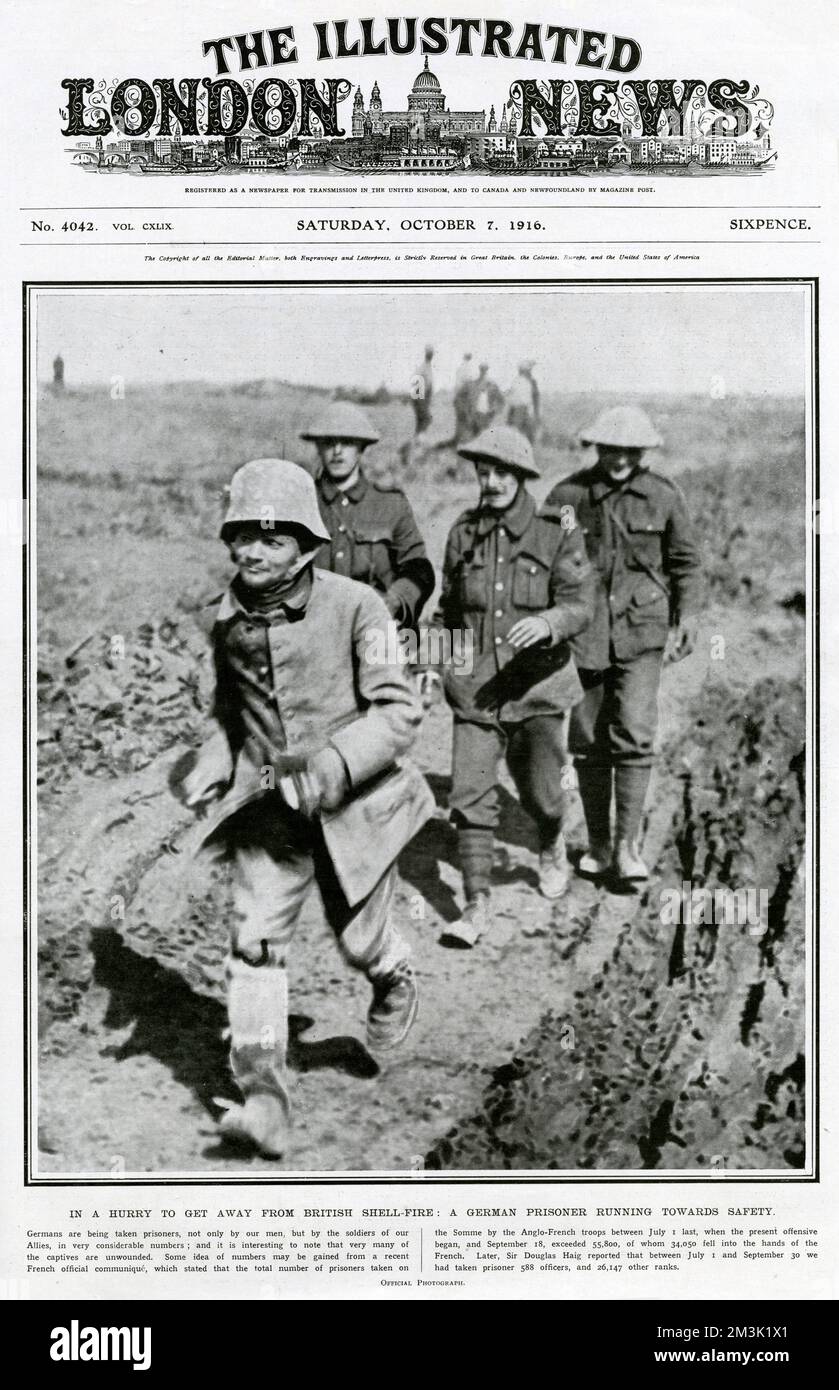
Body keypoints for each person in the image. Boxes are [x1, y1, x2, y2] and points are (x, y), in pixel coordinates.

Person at [179, 458, 434, 1158]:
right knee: (253, 941)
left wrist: (333, 762)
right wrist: (213, 756)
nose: (252, 552)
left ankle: (392, 974)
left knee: (360, 941)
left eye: (272, 538)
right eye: (242, 537)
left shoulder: (360, 607)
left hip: (354, 806)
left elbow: (398, 711)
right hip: (268, 811)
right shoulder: (224, 620)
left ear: (306, 545)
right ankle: (263, 1094)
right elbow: (226, 711)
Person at [433, 424, 595, 947]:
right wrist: (428, 661)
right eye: (484, 470)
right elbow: (449, 611)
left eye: (503, 471)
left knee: (544, 796)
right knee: (470, 795)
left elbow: (580, 604)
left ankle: (551, 841)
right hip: (476, 688)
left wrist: (549, 623)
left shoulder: (556, 530)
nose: (492, 480)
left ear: (522, 476)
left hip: (537, 689)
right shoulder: (464, 532)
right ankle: (476, 903)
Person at [542, 406, 702, 885]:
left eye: (630, 450)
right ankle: (599, 844)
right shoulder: (568, 496)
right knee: (588, 739)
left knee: (633, 731)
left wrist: (688, 615)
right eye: (611, 449)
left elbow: (686, 563)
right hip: (585, 632)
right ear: (597, 448)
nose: (619, 459)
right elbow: (543, 560)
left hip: (641, 630)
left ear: (643, 452)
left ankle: (628, 847)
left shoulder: (663, 496)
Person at [300, 400, 435, 630]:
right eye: (329, 442)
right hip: (315, 632)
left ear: (362, 447)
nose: (338, 451)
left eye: (348, 442)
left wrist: (395, 600)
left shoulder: (390, 504)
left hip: (376, 632)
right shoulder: (300, 503)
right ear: (318, 447)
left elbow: (418, 569)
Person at [507, 360, 540, 443]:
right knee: (515, 434)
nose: (529, 372)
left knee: (529, 435)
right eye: (528, 370)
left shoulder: (532, 382)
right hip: (518, 410)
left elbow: (535, 397)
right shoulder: (516, 381)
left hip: (528, 410)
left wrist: (536, 414)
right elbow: (512, 400)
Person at [469, 362, 503, 434]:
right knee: (475, 435)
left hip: (487, 416)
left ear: (487, 371)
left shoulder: (492, 385)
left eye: (485, 370)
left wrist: (494, 411)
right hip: (476, 415)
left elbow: (501, 400)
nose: (483, 372)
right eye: (482, 370)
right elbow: (469, 400)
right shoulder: (474, 384)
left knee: (485, 434)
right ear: (480, 370)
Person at [453, 351, 478, 444]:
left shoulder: (460, 368)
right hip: (465, 397)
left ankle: (459, 440)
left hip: (459, 397)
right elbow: (470, 384)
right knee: (466, 418)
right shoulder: (470, 369)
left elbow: (457, 385)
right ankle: (465, 441)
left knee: (460, 419)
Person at [412, 344, 435, 437]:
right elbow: (417, 384)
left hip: (424, 398)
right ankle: (418, 441)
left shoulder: (427, 367)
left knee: (423, 421)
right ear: (427, 354)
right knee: (425, 420)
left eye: (431, 353)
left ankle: (417, 441)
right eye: (429, 353)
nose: (431, 355)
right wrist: (420, 401)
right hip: (420, 398)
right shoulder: (423, 367)